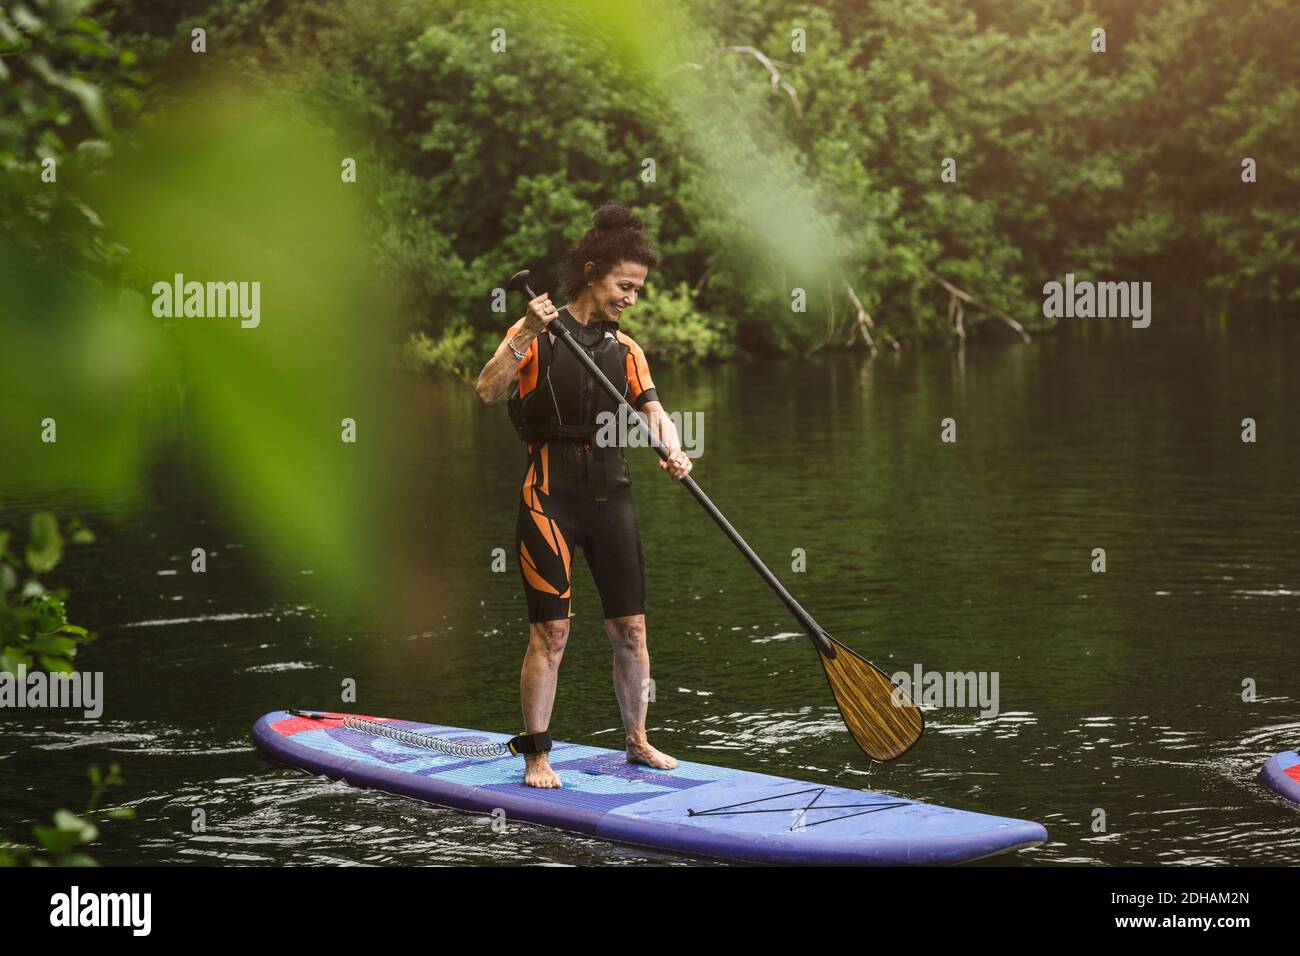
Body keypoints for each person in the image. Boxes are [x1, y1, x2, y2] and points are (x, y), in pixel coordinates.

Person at [475, 202, 692, 788]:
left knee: (632, 630)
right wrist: (522, 332)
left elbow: (655, 413)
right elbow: (487, 391)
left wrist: (674, 448)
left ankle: (638, 741)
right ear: (592, 272)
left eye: (639, 289)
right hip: (549, 496)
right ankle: (537, 755)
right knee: (552, 632)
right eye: (626, 285)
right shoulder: (537, 334)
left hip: (611, 497)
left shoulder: (627, 350)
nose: (632, 297)